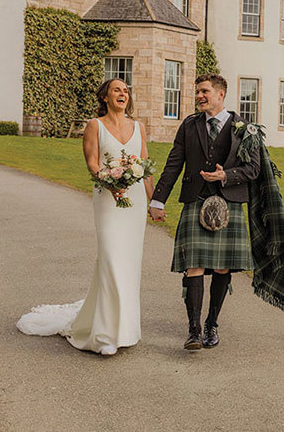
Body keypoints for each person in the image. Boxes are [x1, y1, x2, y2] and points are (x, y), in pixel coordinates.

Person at [16, 79, 152, 356]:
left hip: (135, 201)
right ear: (105, 96)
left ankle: (125, 330)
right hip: (107, 199)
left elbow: (145, 168)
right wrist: (110, 182)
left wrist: (154, 202)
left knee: (130, 263)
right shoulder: (95, 125)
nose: (122, 94)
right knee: (111, 258)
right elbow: (92, 163)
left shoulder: (139, 127)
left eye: (126, 91)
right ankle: (103, 335)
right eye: (117, 90)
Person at [149, 74, 261, 350]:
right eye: (197, 91)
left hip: (229, 204)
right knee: (194, 266)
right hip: (195, 200)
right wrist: (158, 200)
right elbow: (174, 163)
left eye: (204, 91)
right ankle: (194, 330)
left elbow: (253, 169)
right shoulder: (189, 125)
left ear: (220, 94)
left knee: (222, 267)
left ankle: (212, 323)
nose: (199, 96)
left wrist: (226, 175)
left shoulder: (243, 128)